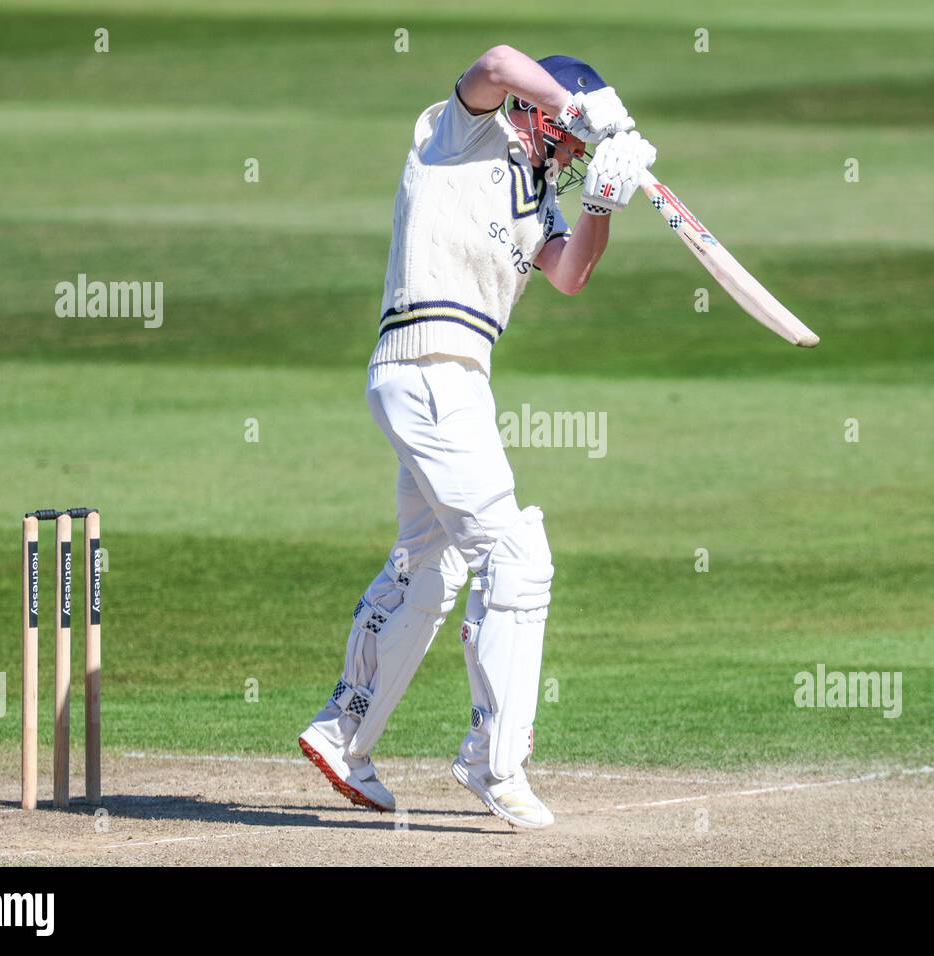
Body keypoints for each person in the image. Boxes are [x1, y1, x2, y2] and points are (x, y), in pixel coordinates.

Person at [299, 46, 656, 829]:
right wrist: (591, 107)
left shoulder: (540, 200)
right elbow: (496, 59)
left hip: (454, 379)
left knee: (434, 560)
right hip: (427, 363)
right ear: (541, 111)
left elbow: (570, 274)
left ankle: (343, 732)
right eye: (566, 138)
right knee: (516, 555)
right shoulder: (462, 134)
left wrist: (600, 199)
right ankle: (495, 762)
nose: (570, 155)